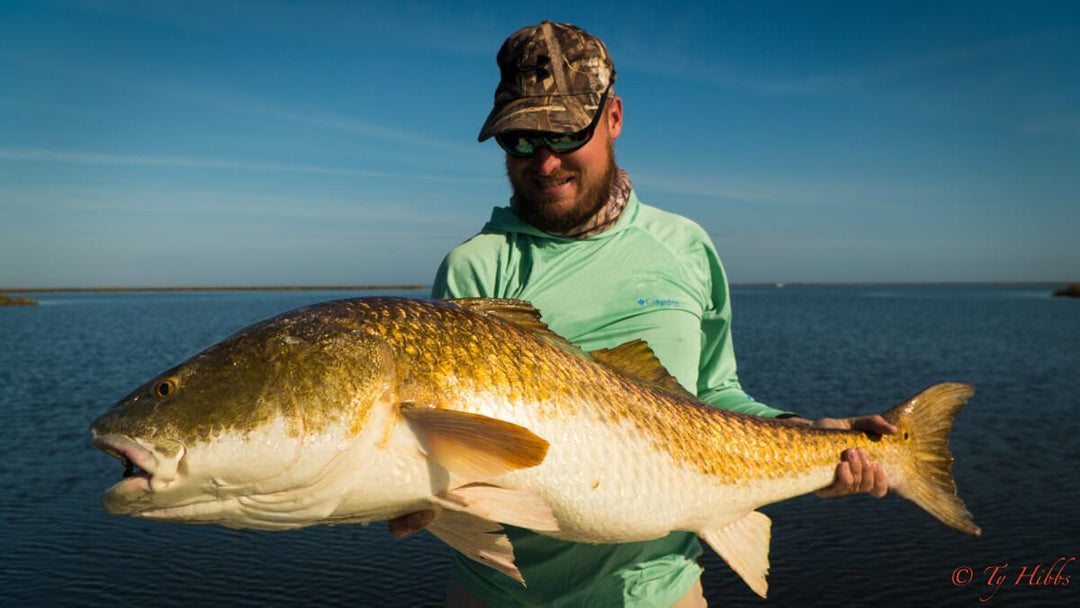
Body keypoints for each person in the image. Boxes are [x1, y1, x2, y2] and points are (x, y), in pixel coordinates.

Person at [391, 21, 896, 607]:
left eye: (563, 132)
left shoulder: (685, 248)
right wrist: (408, 491)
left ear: (613, 119)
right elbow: (452, 442)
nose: (545, 162)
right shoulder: (473, 270)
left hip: (663, 593)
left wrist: (810, 433)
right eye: (521, 140)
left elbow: (714, 394)